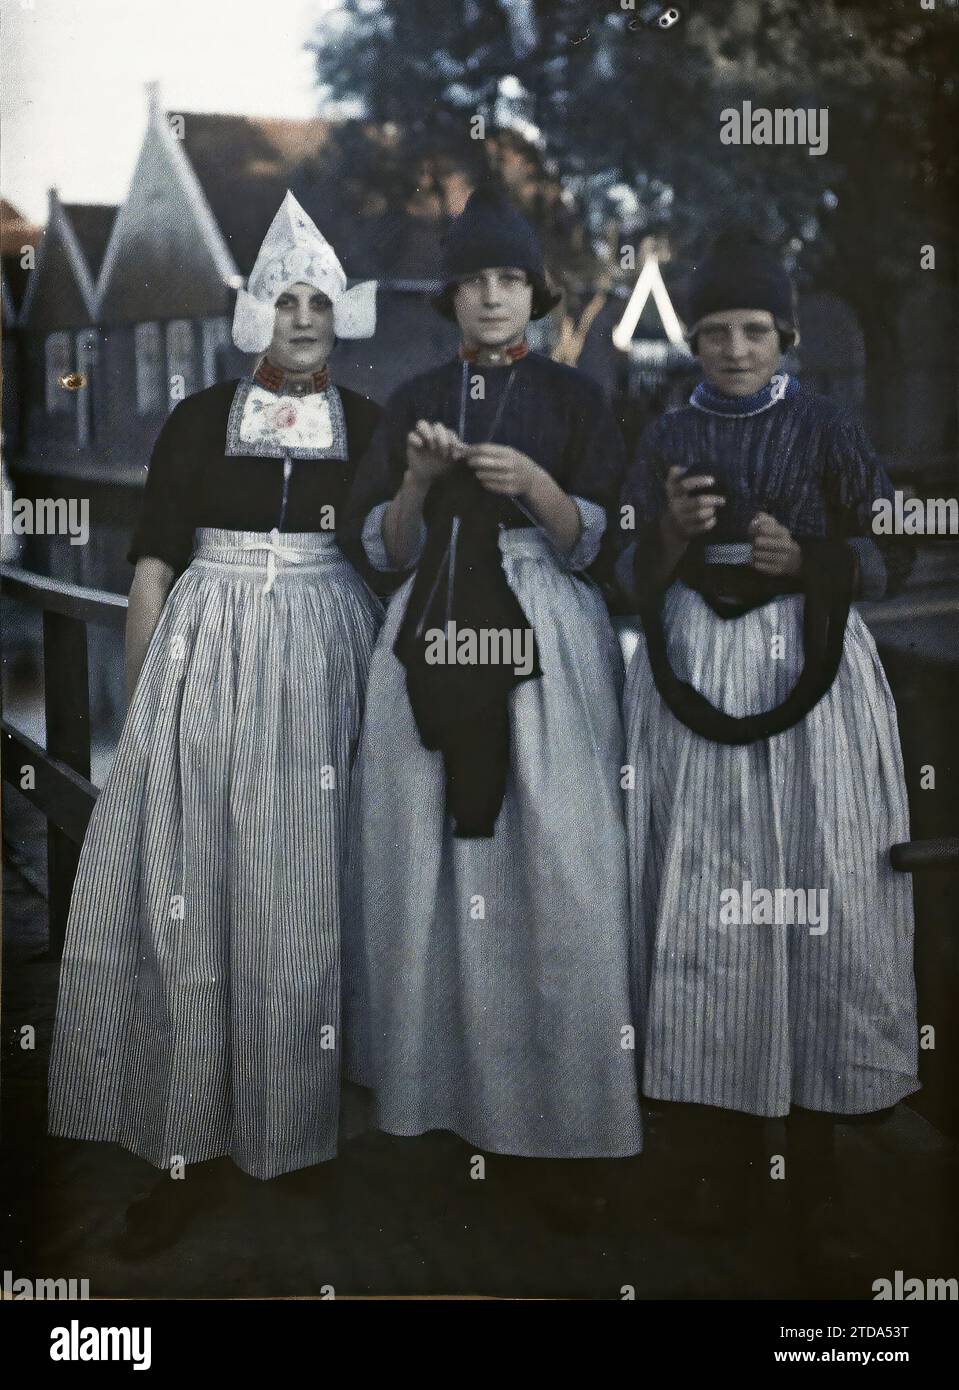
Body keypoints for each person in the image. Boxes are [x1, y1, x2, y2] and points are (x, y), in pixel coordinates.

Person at [47, 192, 382, 1257]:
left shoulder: (367, 427)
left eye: (317, 301)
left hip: (328, 660)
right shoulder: (197, 420)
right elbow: (151, 566)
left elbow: (396, 558)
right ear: (256, 317)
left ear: (338, 317)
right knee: (197, 894)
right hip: (208, 655)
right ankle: (182, 1142)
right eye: (283, 299)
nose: (300, 317)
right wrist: (143, 712)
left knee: (304, 894)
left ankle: (295, 1139)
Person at [618, 228, 919, 1256]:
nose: (734, 349)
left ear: (784, 336)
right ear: (692, 341)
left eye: (753, 329)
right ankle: (722, 1158)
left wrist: (814, 557)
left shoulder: (828, 425)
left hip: (809, 674)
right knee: (708, 900)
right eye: (713, 332)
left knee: (813, 889)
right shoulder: (663, 435)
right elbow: (621, 570)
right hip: (698, 670)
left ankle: (814, 1160)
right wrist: (663, 534)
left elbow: (897, 556)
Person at [341, 188, 643, 1204]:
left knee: (554, 871)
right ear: (451, 296)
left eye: (509, 280)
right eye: (473, 281)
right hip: (429, 628)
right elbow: (380, 551)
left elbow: (612, 546)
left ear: (535, 293)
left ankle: (558, 1123)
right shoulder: (410, 396)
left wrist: (542, 492)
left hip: (542, 642)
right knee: (427, 864)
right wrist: (420, 485)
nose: (491, 298)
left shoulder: (575, 399)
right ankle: (443, 1106)